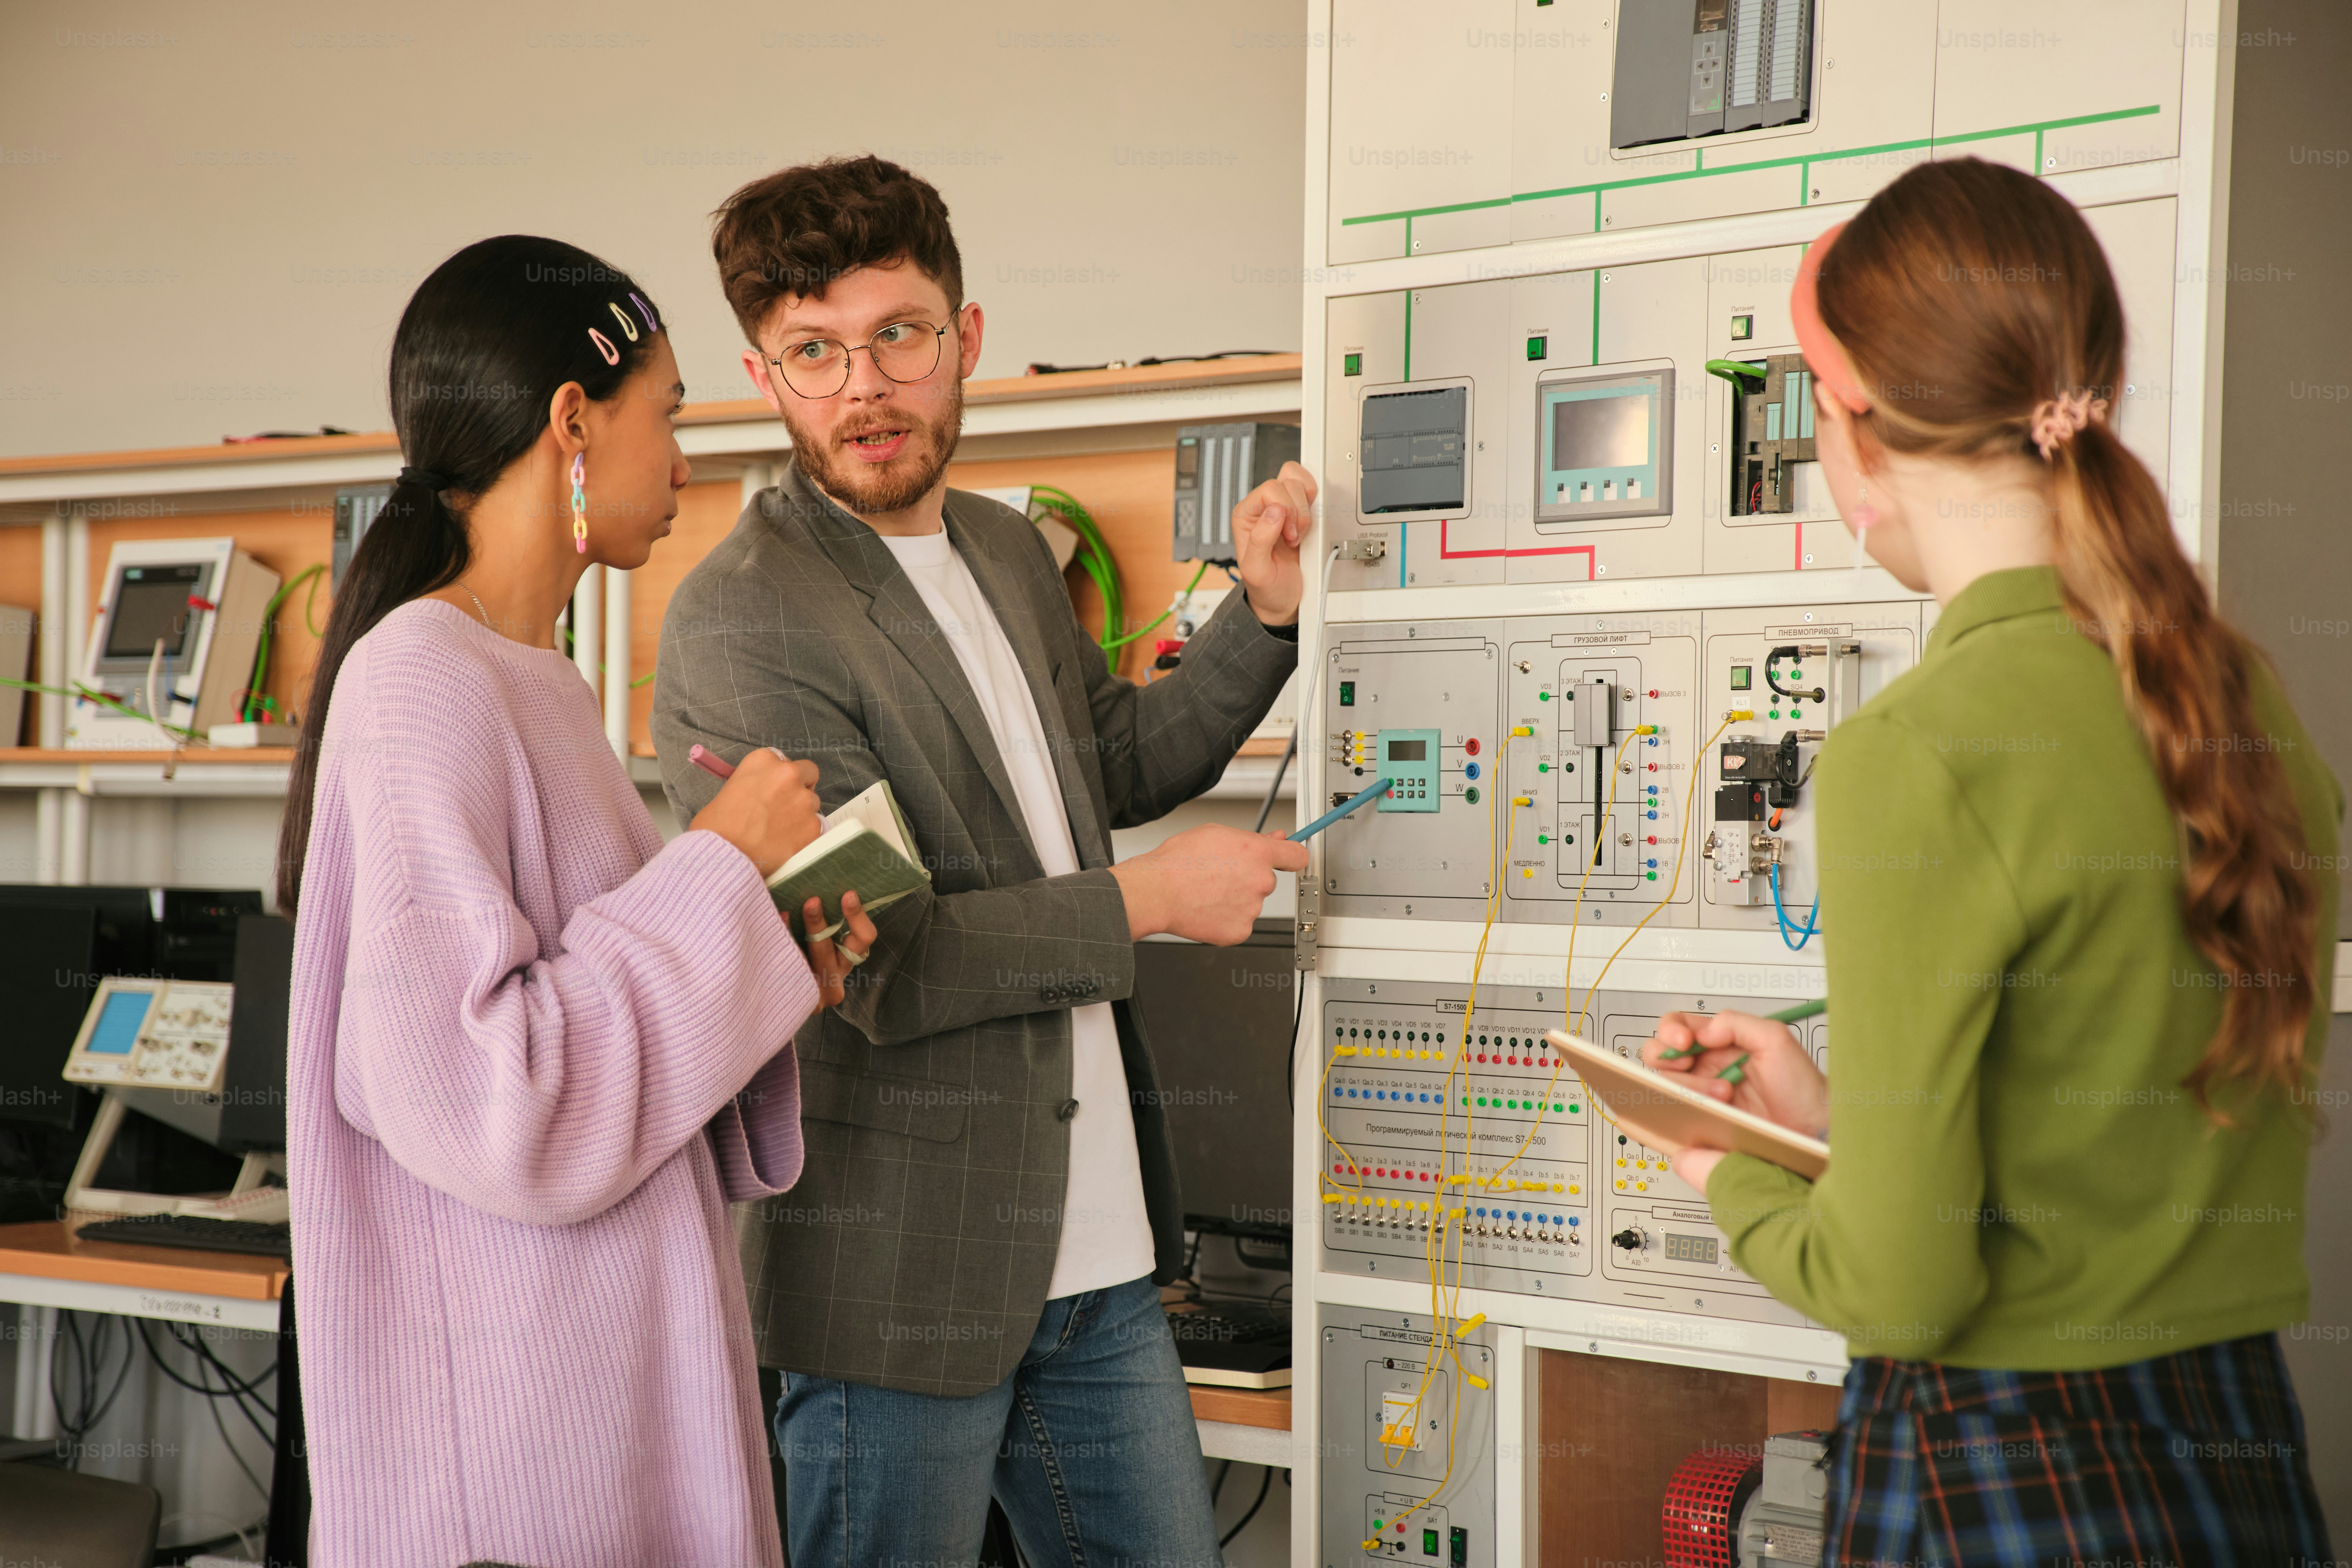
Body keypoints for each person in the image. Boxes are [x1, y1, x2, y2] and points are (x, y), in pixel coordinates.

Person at [1621, 158, 2339, 1563]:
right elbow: (2093, 1161)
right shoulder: (2240, 708)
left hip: (1999, 1478)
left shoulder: (1919, 751)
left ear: (1851, 434)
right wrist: (1832, 1128)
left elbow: (1895, 1286)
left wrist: (1715, 1162)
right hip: (2232, 1457)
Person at [652, 156, 1310, 1568]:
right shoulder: (743, 620)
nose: (863, 388)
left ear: (968, 339)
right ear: (763, 376)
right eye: (813, 352)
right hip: (895, 1284)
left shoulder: (1006, 552)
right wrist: (1149, 899)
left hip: (1102, 1263)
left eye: (899, 335)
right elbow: (882, 955)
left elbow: (1118, 765)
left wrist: (1261, 612)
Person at [279, 235, 876, 1568]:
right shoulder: (421, 680)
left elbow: (602, 1055)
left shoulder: (533, 683)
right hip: (518, 1468)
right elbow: (491, 1096)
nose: (683, 464)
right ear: (571, 424)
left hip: (604, 1411)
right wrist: (719, 869)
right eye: (664, 418)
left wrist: (764, 961)